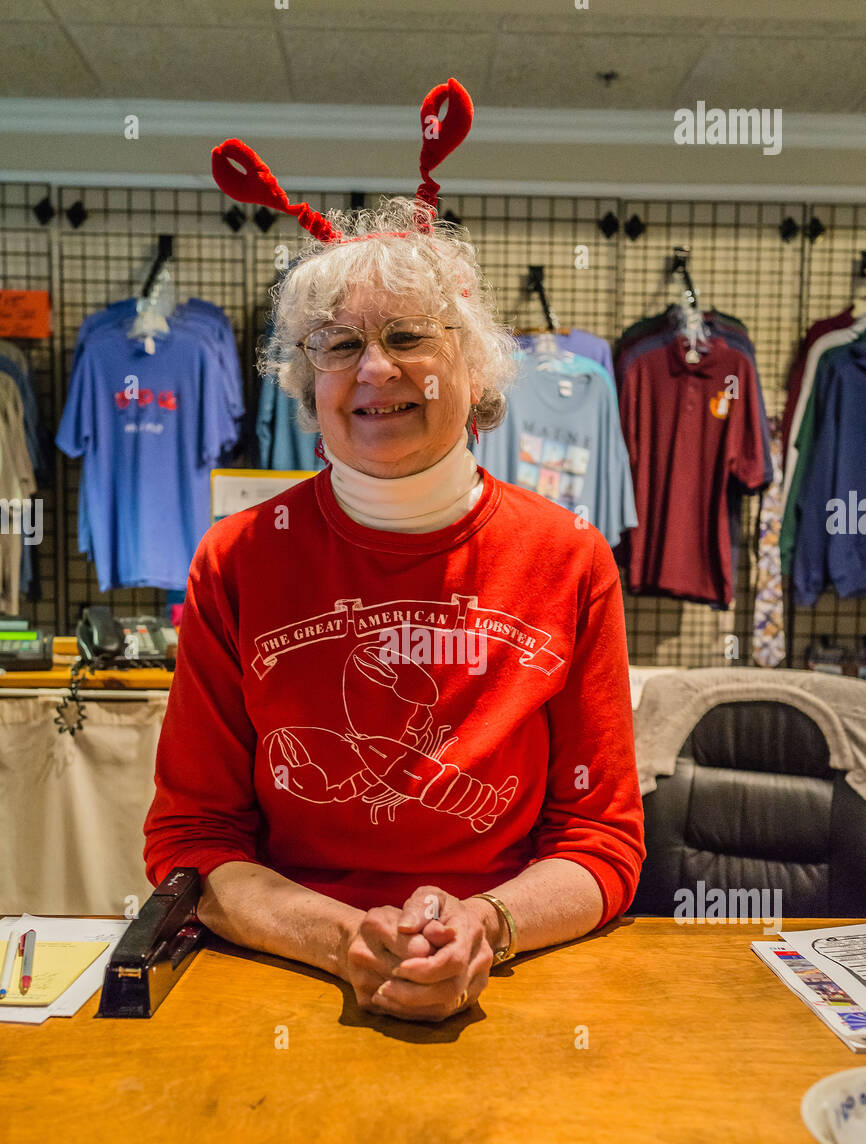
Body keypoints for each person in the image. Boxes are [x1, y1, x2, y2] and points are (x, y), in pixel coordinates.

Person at [142, 79, 645, 1022]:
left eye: (409, 334)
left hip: (523, 975)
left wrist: (488, 925)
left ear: (476, 364)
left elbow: (601, 840)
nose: (375, 369)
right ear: (307, 381)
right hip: (287, 976)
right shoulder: (238, 560)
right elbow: (192, 839)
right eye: (337, 345)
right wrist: (341, 938)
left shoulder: (570, 558)